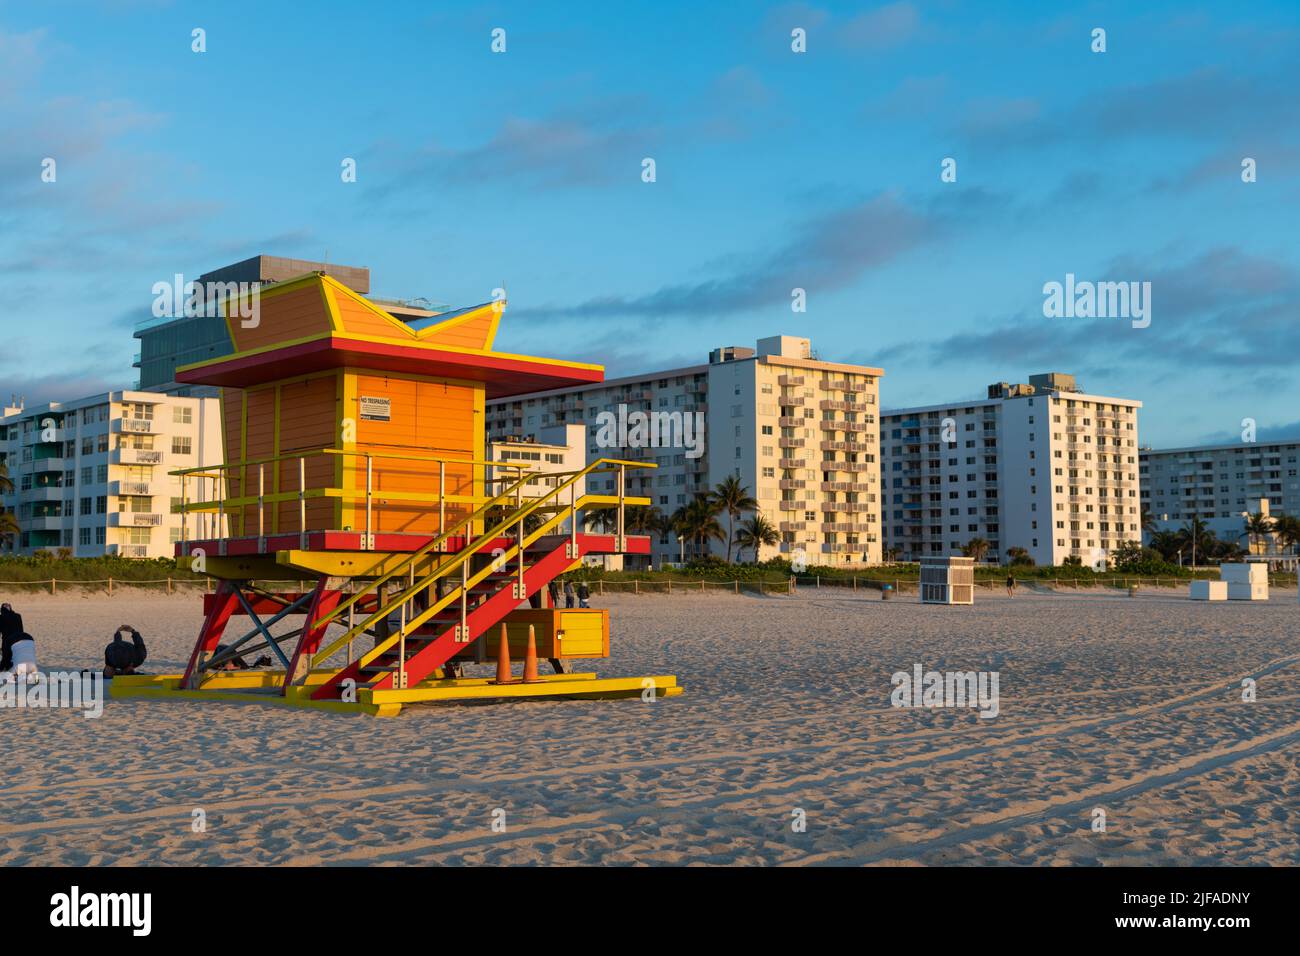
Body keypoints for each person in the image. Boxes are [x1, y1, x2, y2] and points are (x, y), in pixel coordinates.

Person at [0, 603, 37, 682]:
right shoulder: (18, 616)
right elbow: (21, 628)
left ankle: (8, 667)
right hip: (24, 637)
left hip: (9, 639)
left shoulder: (1, 617)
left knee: (6, 657)